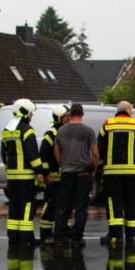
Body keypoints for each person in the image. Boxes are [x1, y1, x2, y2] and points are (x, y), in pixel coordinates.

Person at [98, 101, 135, 245]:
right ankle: (131, 234)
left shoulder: (107, 124)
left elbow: (99, 148)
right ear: (127, 110)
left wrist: (101, 166)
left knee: (114, 203)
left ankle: (115, 235)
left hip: (112, 173)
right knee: (131, 201)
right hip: (133, 173)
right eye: (131, 110)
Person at [54, 103, 99, 247]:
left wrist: (63, 163)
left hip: (67, 173)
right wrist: (94, 170)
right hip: (83, 174)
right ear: (82, 114)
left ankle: (60, 237)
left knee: (64, 205)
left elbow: (56, 151)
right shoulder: (88, 131)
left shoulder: (61, 131)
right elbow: (95, 154)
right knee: (81, 207)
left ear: (70, 115)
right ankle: (76, 238)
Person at [1, 98, 45, 245]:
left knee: (14, 206)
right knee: (27, 206)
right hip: (26, 177)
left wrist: (9, 170)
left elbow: (3, 154)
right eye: (31, 113)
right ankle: (26, 238)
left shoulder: (7, 130)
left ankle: (13, 236)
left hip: (12, 178)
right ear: (25, 113)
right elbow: (32, 154)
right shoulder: (27, 130)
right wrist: (40, 171)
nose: (32, 116)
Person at [37, 104, 69, 244]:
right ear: (59, 118)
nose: (68, 119)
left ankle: (62, 234)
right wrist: (45, 173)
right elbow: (43, 155)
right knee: (51, 205)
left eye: (69, 116)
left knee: (66, 206)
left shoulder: (68, 133)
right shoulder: (51, 134)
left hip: (66, 177)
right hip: (53, 178)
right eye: (65, 117)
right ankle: (46, 235)